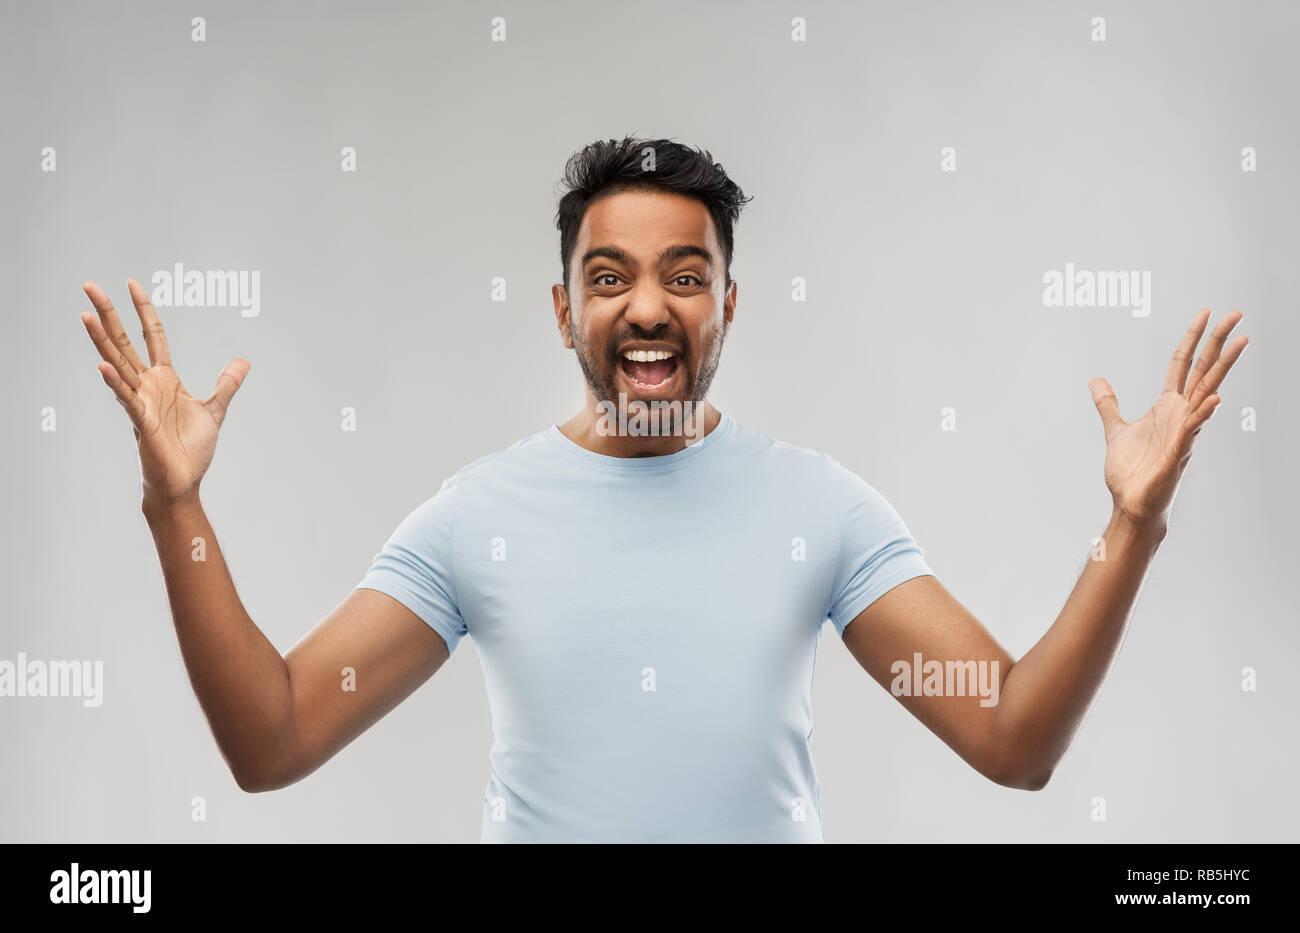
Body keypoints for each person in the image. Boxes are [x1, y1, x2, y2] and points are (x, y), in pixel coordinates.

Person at [78, 136, 1248, 843]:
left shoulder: (820, 511)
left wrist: (1128, 526)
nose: (647, 306)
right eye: (609, 276)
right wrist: (176, 507)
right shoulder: (477, 517)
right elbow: (271, 739)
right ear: (562, 310)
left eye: (686, 276)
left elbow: (1011, 739)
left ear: (726, 305)